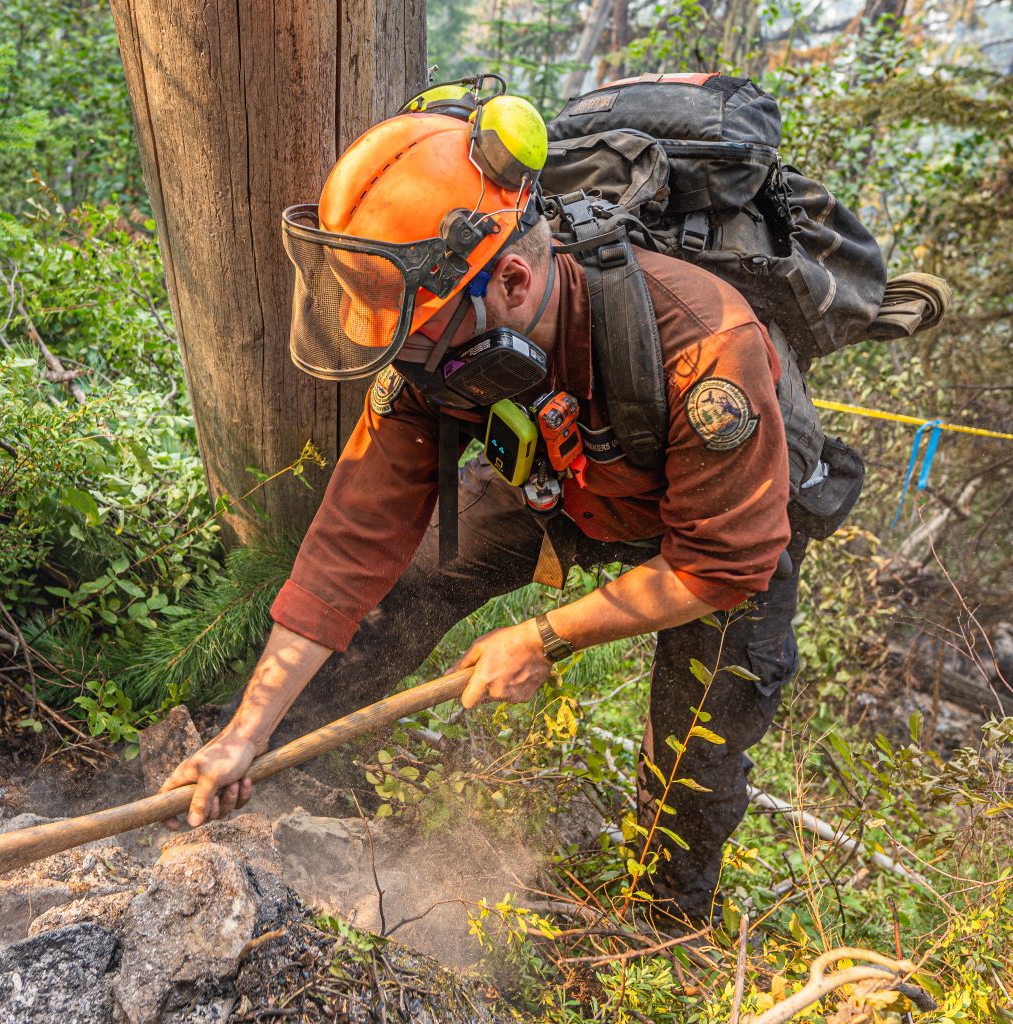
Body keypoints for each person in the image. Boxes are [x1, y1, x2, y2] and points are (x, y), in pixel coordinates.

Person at [157, 97, 801, 925]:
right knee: (414, 579)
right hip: (565, 487)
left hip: (715, 542)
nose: (413, 362)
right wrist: (247, 729)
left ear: (513, 280)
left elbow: (721, 564)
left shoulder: (704, 347)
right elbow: (349, 545)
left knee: (698, 745)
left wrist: (544, 637)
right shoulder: (440, 338)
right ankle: (256, 779)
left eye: (421, 340)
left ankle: (660, 929)